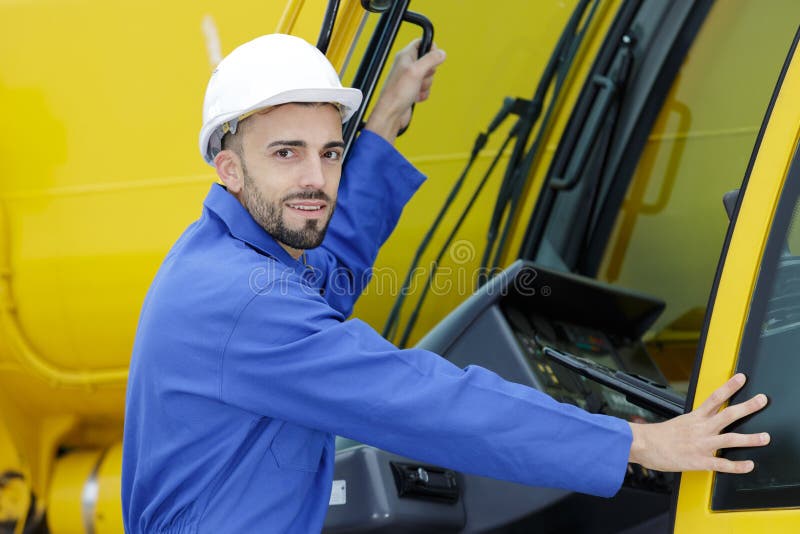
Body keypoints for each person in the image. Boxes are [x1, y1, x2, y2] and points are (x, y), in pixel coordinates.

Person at [121, 34, 769, 533]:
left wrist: (385, 122)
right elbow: (416, 398)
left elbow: (329, 265)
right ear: (228, 168)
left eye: (331, 152)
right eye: (285, 153)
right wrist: (638, 440)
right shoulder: (239, 302)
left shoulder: (238, 254)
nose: (316, 178)